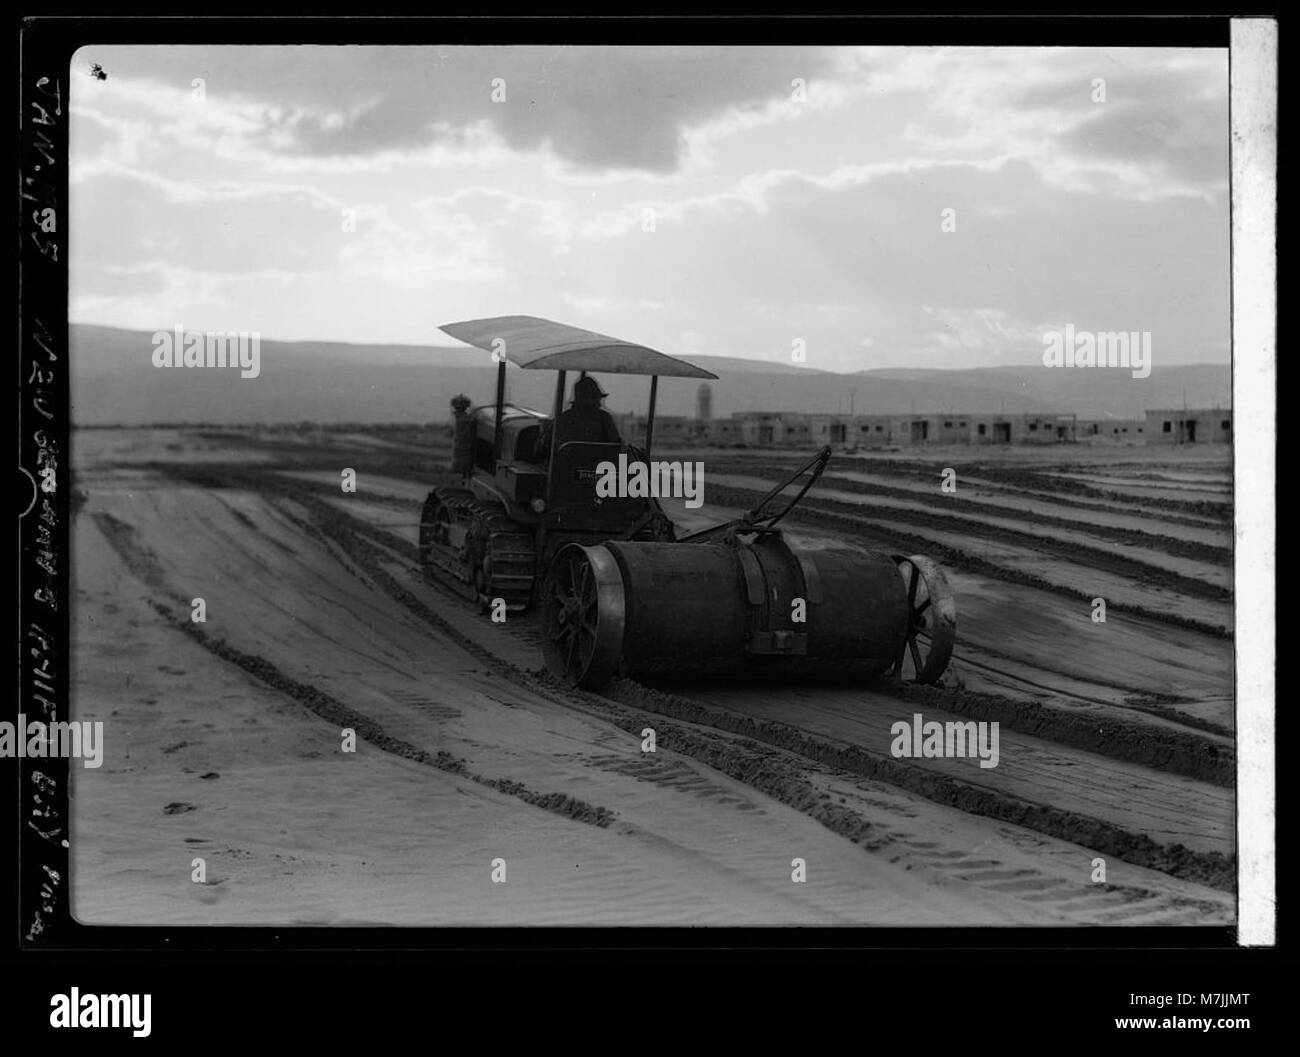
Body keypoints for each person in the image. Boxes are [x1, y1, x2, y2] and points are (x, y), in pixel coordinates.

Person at [535, 375, 621, 459]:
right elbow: (617, 447)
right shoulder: (603, 418)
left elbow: (545, 449)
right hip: (594, 470)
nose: (599, 403)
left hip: (564, 470)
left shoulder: (562, 419)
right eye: (595, 398)